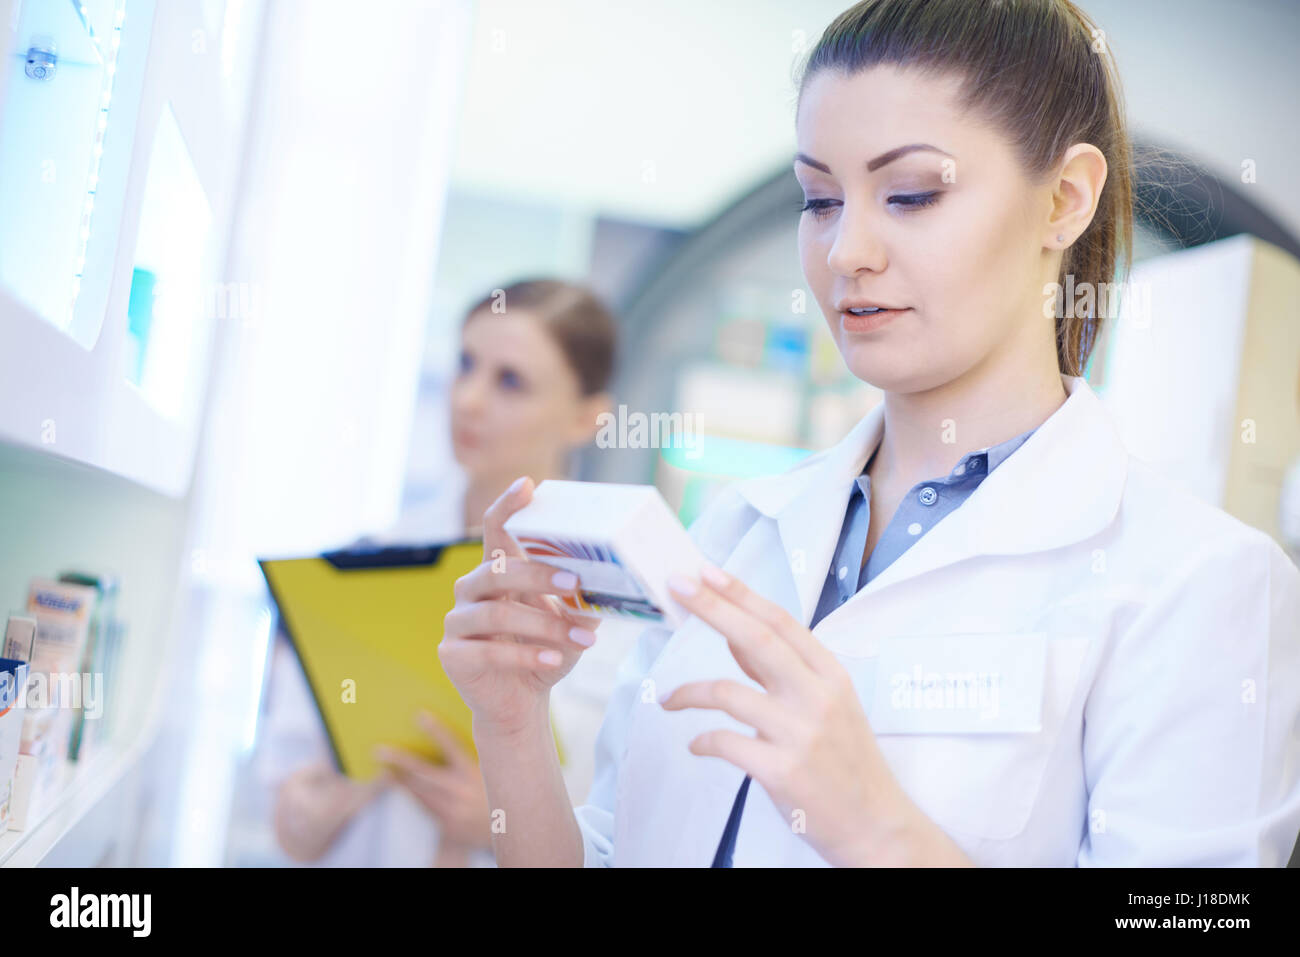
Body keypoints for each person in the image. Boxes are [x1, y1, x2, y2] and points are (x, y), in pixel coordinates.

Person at [441, 0, 1300, 867]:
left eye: (911, 194)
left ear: (1065, 200)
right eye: (819, 199)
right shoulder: (735, 534)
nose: (847, 249)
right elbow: (617, 851)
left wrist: (873, 826)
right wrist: (511, 727)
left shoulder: (1201, 585)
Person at [262, 278, 620, 867]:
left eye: (510, 381)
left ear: (587, 418)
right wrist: (338, 791)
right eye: (466, 365)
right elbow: (291, 833)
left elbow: (630, 828)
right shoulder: (355, 574)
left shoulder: (616, 604)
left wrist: (504, 819)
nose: (468, 399)